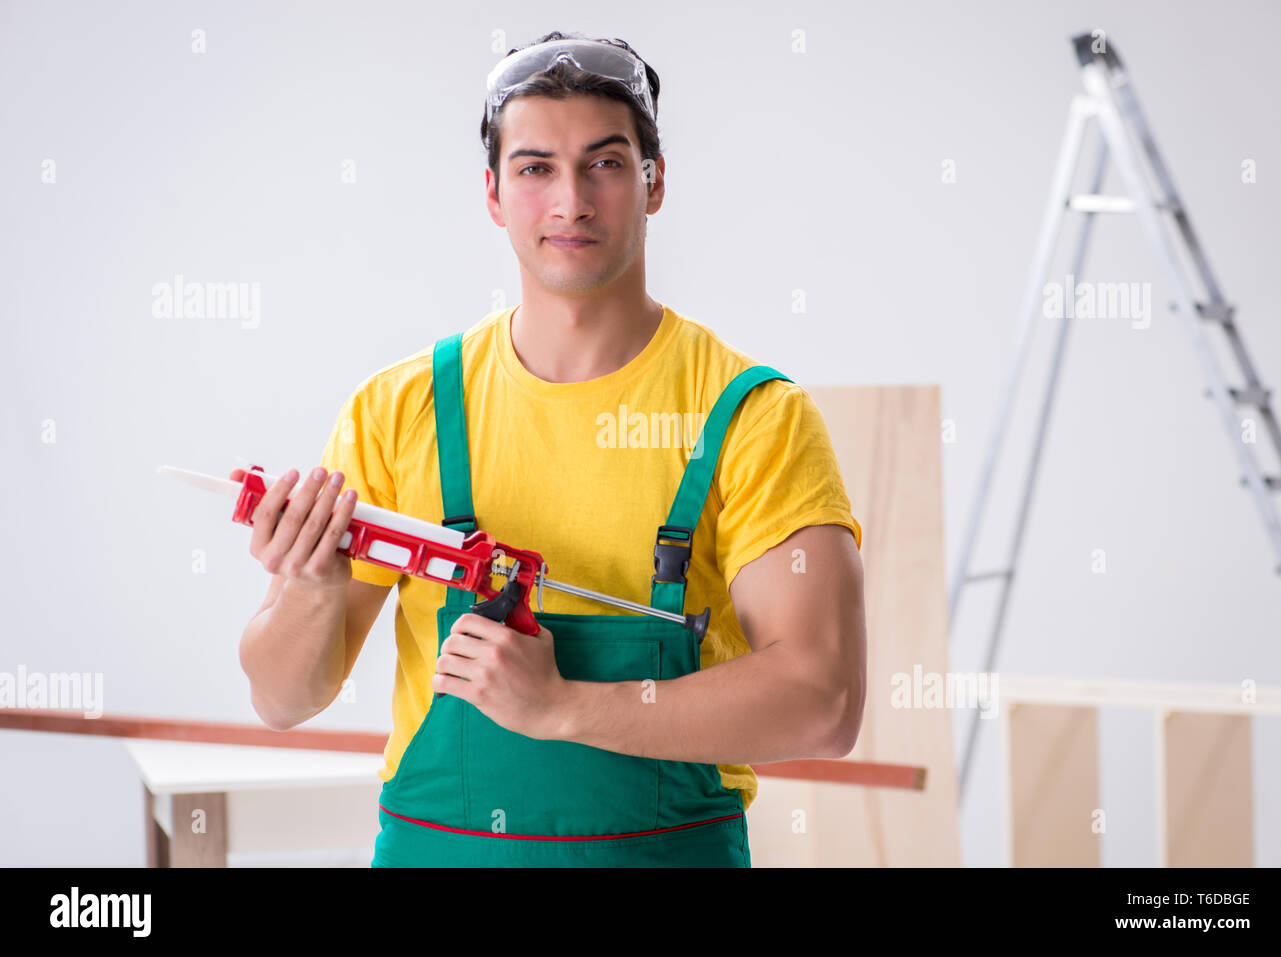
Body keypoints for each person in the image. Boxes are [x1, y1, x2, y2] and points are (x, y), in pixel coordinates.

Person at [235, 30, 867, 867]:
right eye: (535, 168)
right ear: (494, 194)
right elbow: (284, 699)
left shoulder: (750, 417)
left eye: (604, 163)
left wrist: (563, 705)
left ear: (655, 181)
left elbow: (824, 700)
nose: (570, 201)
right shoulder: (401, 409)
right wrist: (311, 590)